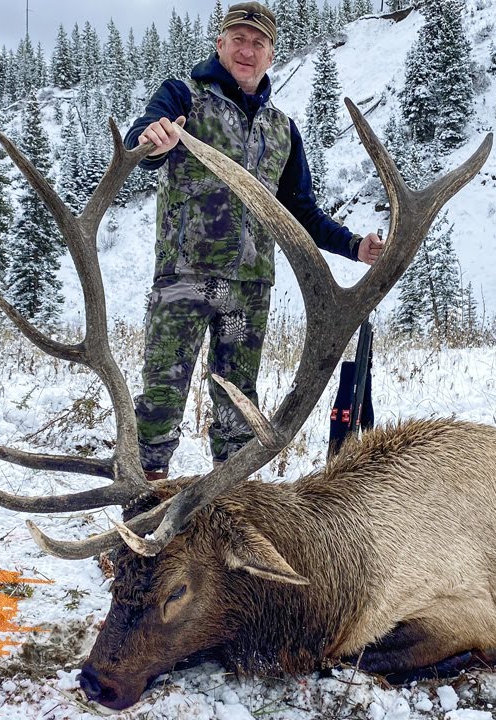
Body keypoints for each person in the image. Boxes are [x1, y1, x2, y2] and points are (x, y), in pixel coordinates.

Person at [124, 1, 383, 481]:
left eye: (257, 42)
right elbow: (141, 142)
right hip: (185, 282)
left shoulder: (282, 130)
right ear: (220, 45)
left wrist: (354, 246)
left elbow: (300, 212)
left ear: (270, 54)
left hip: (244, 294)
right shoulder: (184, 97)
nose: (247, 49)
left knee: (237, 398)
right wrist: (151, 138)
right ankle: (143, 493)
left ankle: (232, 497)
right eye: (238, 39)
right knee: (162, 393)